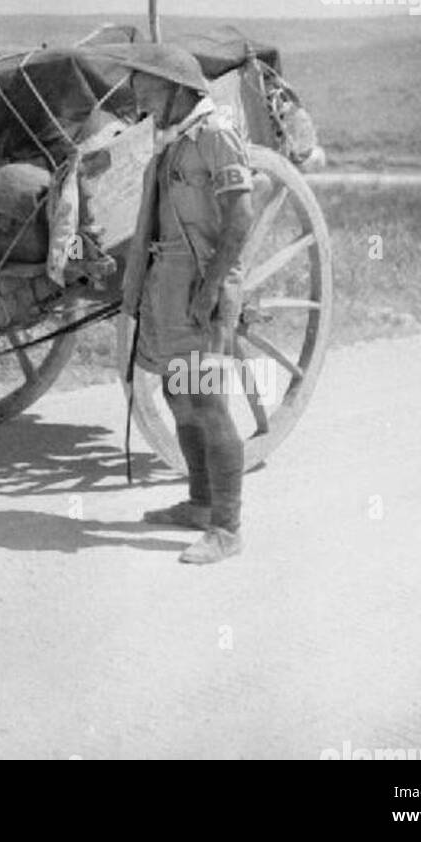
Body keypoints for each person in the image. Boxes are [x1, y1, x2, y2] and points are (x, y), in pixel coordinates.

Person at [118, 46, 254, 565]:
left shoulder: (214, 134)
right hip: (166, 282)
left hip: (198, 284)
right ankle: (200, 504)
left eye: (145, 85)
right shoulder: (174, 140)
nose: (137, 95)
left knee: (207, 404)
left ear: (175, 86)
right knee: (180, 398)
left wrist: (211, 288)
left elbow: (239, 215)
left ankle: (227, 527)